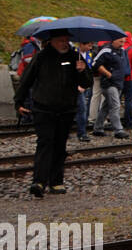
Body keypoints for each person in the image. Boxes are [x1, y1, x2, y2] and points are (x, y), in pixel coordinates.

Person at [13, 28, 91, 197]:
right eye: (61, 40)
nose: (65, 43)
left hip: (66, 109)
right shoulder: (41, 57)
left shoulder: (75, 56)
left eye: (66, 40)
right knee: (45, 143)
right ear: (52, 41)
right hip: (44, 108)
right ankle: (39, 181)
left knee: (60, 146)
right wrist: (18, 102)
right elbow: (27, 79)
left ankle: (56, 181)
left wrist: (82, 70)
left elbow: (87, 82)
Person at [92, 37, 131, 139]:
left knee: (106, 106)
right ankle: (118, 130)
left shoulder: (122, 51)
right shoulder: (106, 50)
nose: (122, 44)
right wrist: (108, 74)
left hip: (118, 82)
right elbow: (95, 63)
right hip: (109, 83)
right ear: (113, 40)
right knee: (115, 106)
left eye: (123, 42)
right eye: (120, 42)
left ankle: (98, 128)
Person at [121, 31, 132, 128]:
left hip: (119, 78)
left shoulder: (119, 48)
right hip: (130, 77)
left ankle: (113, 122)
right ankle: (128, 121)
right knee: (128, 100)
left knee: (116, 100)